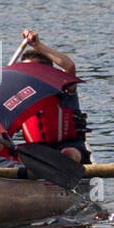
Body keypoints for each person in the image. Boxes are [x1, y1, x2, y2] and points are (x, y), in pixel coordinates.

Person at [11, 28, 91, 163]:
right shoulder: (19, 98)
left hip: (70, 148)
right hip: (37, 151)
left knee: (67, 153)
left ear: (47, 71)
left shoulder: (63, 90)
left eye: (33, 70)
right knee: (16, 155)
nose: (29, 75)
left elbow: (69, 67)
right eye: (25, 71)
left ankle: (65, 179)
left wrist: (38, 45)